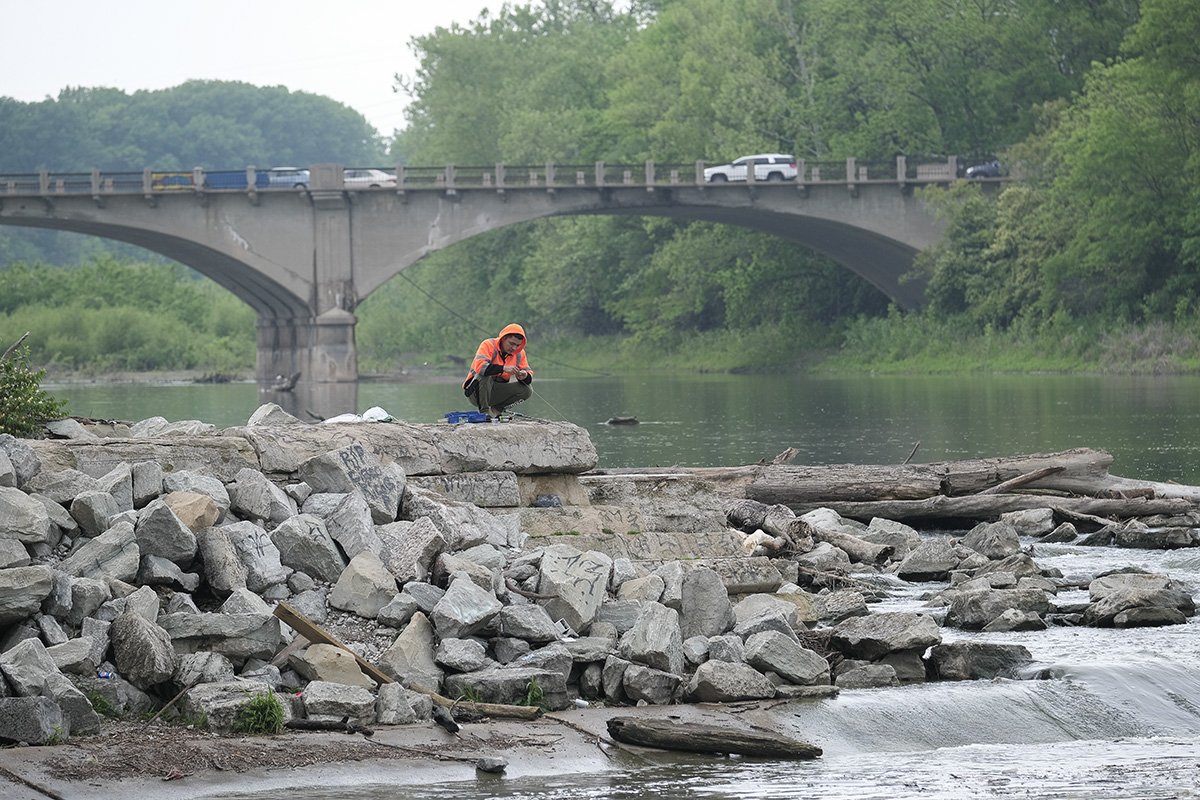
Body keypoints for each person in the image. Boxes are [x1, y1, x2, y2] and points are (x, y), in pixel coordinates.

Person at [462, 324, 533, 417]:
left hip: (497, 390)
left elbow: (529, 374)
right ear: (503, 338)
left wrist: (525, 376)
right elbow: (480, 367)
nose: (514, 348)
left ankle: (498, 408)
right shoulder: (488, 344)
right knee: (484, 374)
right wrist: (503, 368)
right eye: (511, 343)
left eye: (517, 345)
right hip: (475, 393)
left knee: (527, 389)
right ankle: (484, 412)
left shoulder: (519, 354)